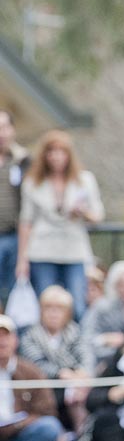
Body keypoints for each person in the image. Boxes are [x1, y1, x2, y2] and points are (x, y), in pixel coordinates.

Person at [17, 130, 105, 321]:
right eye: (51, 152)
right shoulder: (33, 183)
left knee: (77, 305)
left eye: (61, 152)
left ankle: (75, 347)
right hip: (42, 250)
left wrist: (82, 212)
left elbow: (98, 215)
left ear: (69, 155)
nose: (56, 157)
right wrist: (22, 259)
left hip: (73, 249)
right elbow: (26, 221)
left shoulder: (85, 180)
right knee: (46, 303)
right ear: (45, 156)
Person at [0, 313, 70, 441]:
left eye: (5, 336)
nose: (1, 341)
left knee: (49, 427)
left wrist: (17, 425)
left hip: (21, 437)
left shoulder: (31, 371)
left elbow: (47, 411)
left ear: (15, 340)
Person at [20, 285, 90, 433]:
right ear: (41, 311)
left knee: (79, 390)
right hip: (44, 387)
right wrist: (61, 373)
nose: (53, 313)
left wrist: (81, 373)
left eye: (59, 309)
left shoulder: (75, 332)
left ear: (68, 313)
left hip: (75, 385)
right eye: (49, 308)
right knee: (72, 390)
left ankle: (82, 435)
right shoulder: (30, 336)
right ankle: (75, 436)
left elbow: (86, 357)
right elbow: (36, 365)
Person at [0, 109, 30, 304]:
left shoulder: (23, 161)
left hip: (14, 235)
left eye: (4, 127)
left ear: (12, 130)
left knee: (11, 293)